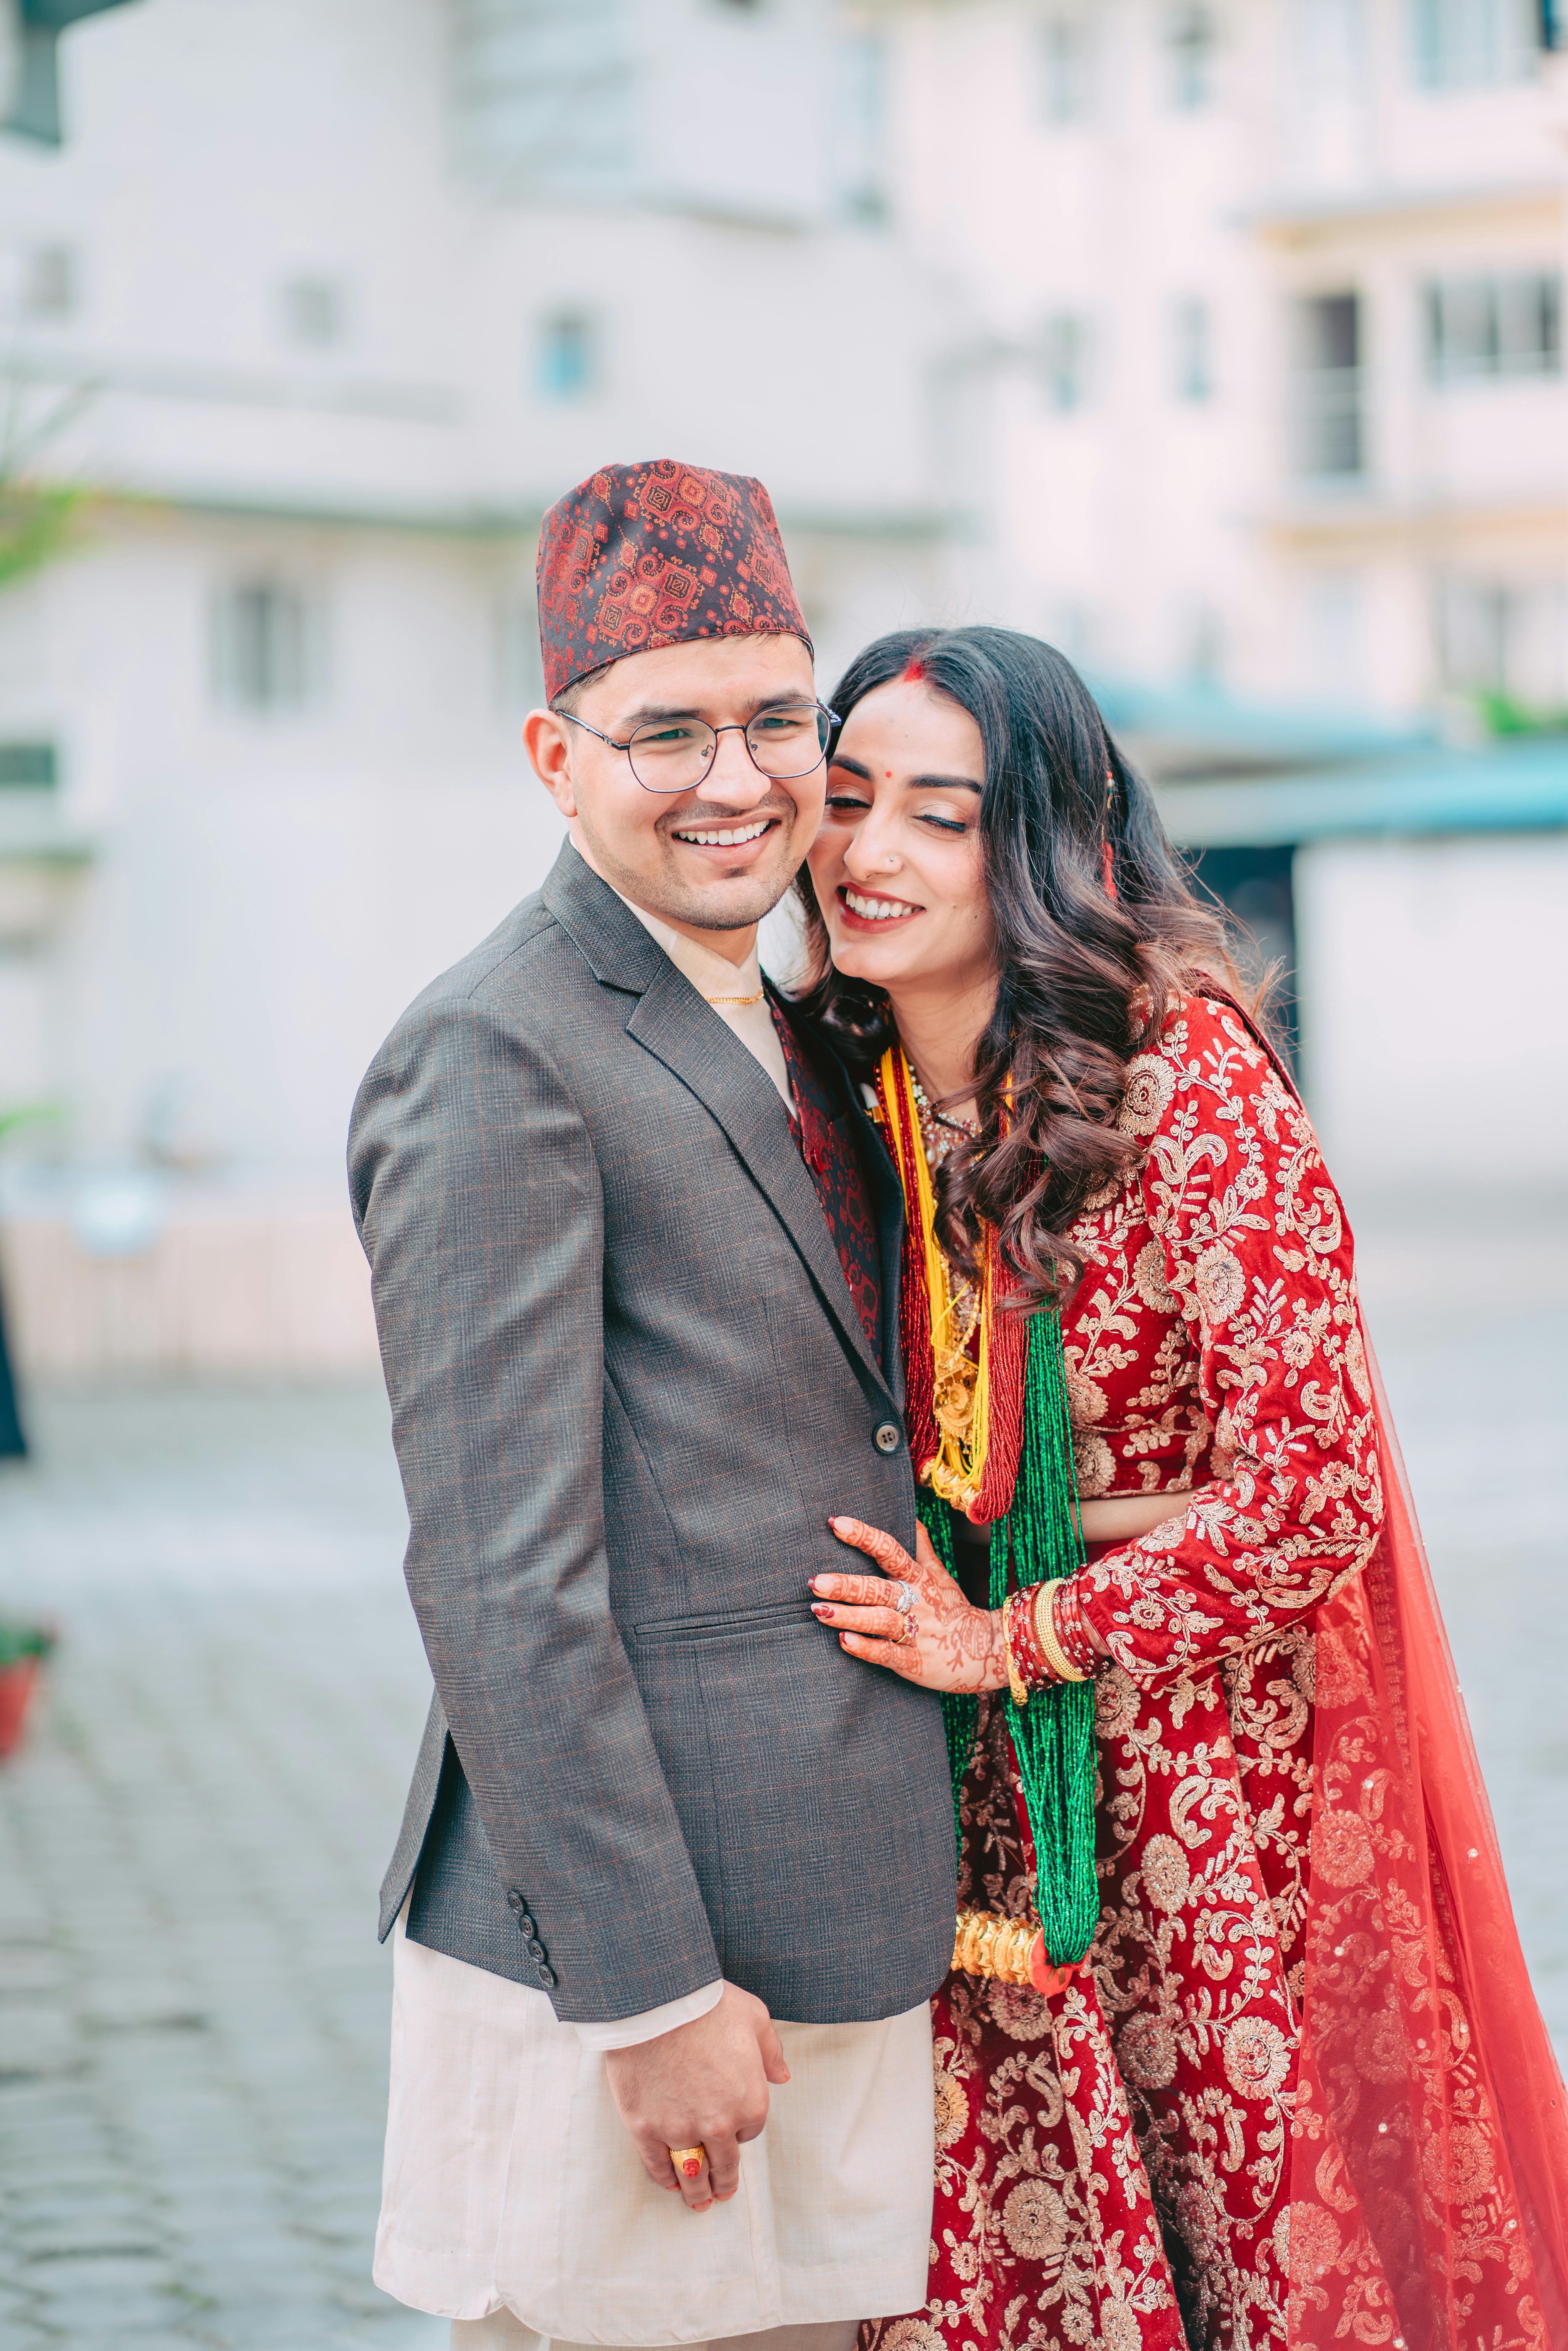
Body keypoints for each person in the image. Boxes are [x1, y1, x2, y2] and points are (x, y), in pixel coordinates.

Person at [800, 626, 1568, 2351]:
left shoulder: (1179, 1081)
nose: (870, 851)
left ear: (1044, 848)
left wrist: (1013, 1636)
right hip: (939, 1785)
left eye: (939, 814)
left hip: (1198, 1786)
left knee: (1233, 2237)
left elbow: (1313, 1492)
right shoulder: (839, 1085)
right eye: (847, 799)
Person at [348, 464, 957, 2351]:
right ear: (556, 757)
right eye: (667, 733)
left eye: (777, 721)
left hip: (832, 1909)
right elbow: (498, 1569)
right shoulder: (494, 1048)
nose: (736, 779)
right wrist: (646, 1995)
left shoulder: (800, 1016)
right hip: (638, 1964)